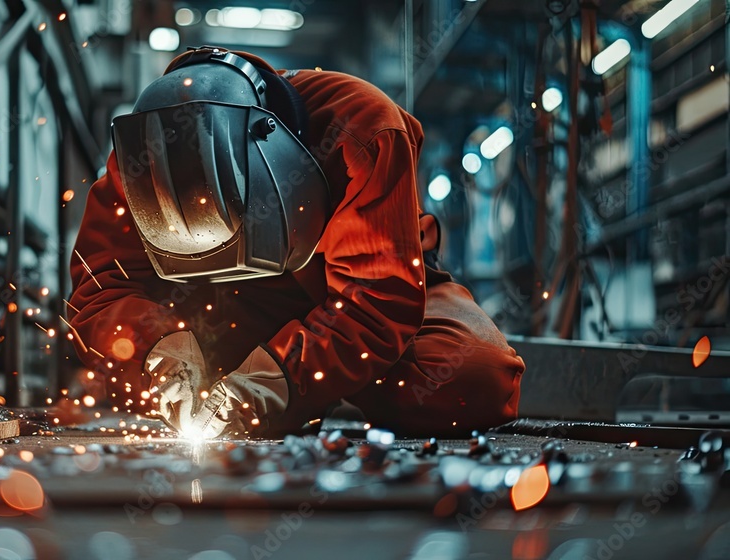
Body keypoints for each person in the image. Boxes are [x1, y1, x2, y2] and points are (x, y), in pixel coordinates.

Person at [67, 46, 524, 439]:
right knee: (124, 372)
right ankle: (273, 392)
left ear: (277, 154)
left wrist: (277, 379)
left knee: (472, 380)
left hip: (347, 303)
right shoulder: (144, 162)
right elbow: (99, 288)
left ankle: (314, 391)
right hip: (220, 319)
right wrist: (160, 349)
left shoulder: (362, 128)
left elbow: (376, 301)